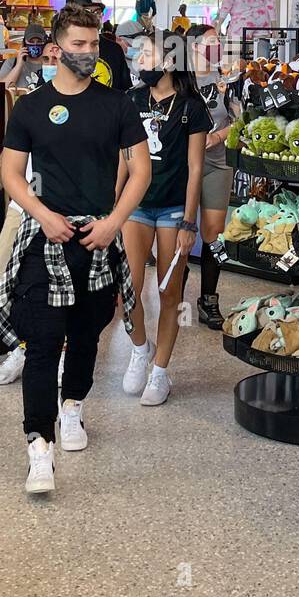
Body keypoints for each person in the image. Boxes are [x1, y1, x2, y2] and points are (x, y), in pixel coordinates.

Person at [0, 3, 152, 495]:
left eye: (94, 44)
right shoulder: (32, 107)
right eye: (78, 45)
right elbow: (12, 173)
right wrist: (42, 215)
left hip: (99, 239)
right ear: (58, 48)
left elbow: (140, 171)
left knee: (87, 337)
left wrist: (114, 224)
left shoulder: (118, 104)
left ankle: (73, 409)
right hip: (45, 238)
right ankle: (38, 448)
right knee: (42, 343)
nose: (87, 52)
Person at [117, 31, 211, 406]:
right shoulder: (131, 99)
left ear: (170, 61)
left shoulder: (192, 106)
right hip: (135, 207)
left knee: (169, 292)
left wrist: (190, 223)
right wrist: (112, 207)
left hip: (174, 209)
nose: (140, 59)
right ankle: (140, 348)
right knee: (127, 290)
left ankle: (160, 370)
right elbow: (122, 159)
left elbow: (195, 168)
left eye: (147, 53)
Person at [0, 37, 62, 385]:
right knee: (2, 278)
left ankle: (58, 354)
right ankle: (22, 348)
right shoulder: (28, 102)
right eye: (50, 49)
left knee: (59, 284)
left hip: (66, 207)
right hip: (23, 201)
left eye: (59, 48)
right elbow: (11, 159)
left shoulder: (92, 102)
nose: (53, 54)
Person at [186, 22, 240, 329]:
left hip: (217, 165)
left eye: (218, 41)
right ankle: (174, 297)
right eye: (210, 41)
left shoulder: (228, 78)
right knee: (179, 230)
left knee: (213, 234)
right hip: (183, 165)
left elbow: (240, 119)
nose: (216, 46)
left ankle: (209, 299)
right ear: (193, 46)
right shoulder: (181, 81)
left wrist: (218, 137)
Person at [71, 0, 132, 90]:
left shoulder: (114, 49)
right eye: (87, 12)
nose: (94, 16)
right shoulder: (67, 48)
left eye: (97, 12)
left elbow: (125, 88)